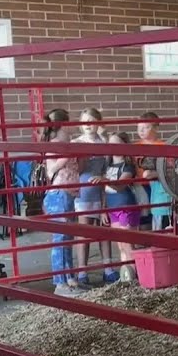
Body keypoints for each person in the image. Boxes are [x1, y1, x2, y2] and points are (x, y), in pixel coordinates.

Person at [40, 108, 83, 296]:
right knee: (60, 238)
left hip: (69, 193)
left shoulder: (66, 143)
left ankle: (70, 278)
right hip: (59, 193)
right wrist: (70, 152)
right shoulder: (56, 144)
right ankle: (60, 282)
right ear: (63, 125)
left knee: (67, 238)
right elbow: (53, 168)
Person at [73, 108, 116, 286]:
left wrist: (105, 140)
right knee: (84, 232)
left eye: (92, 120)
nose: (89, 124)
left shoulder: (105, 141)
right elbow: (78, 169)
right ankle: (82, 271)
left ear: (98, 122)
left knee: (104, 230)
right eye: (85, 121)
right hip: (84, 191)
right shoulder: (76, 142)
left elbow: (109, 166)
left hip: (101, 189)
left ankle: (108, 268)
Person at [103, 132, 139, 283]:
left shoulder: (128, 166)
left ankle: (136, 274)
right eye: (111, 143)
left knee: (128, 243)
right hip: (112, 208)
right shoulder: (108, 166)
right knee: (121, 245)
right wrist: (103, 209)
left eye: (117, 143)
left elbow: (121, 185)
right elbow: (104, 190)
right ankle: (126, 275)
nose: (114, 147)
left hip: (126, 206)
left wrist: (104, 180)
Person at [135, 111, 172, 231]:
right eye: (139, 127)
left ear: (156, 128)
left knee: (157, 211)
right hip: (141, 185)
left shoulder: (162, 146)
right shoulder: (135, 147)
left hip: (157, 185)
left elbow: (169, 166)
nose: (141, 131)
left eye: (146, 127)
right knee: (144, 214)